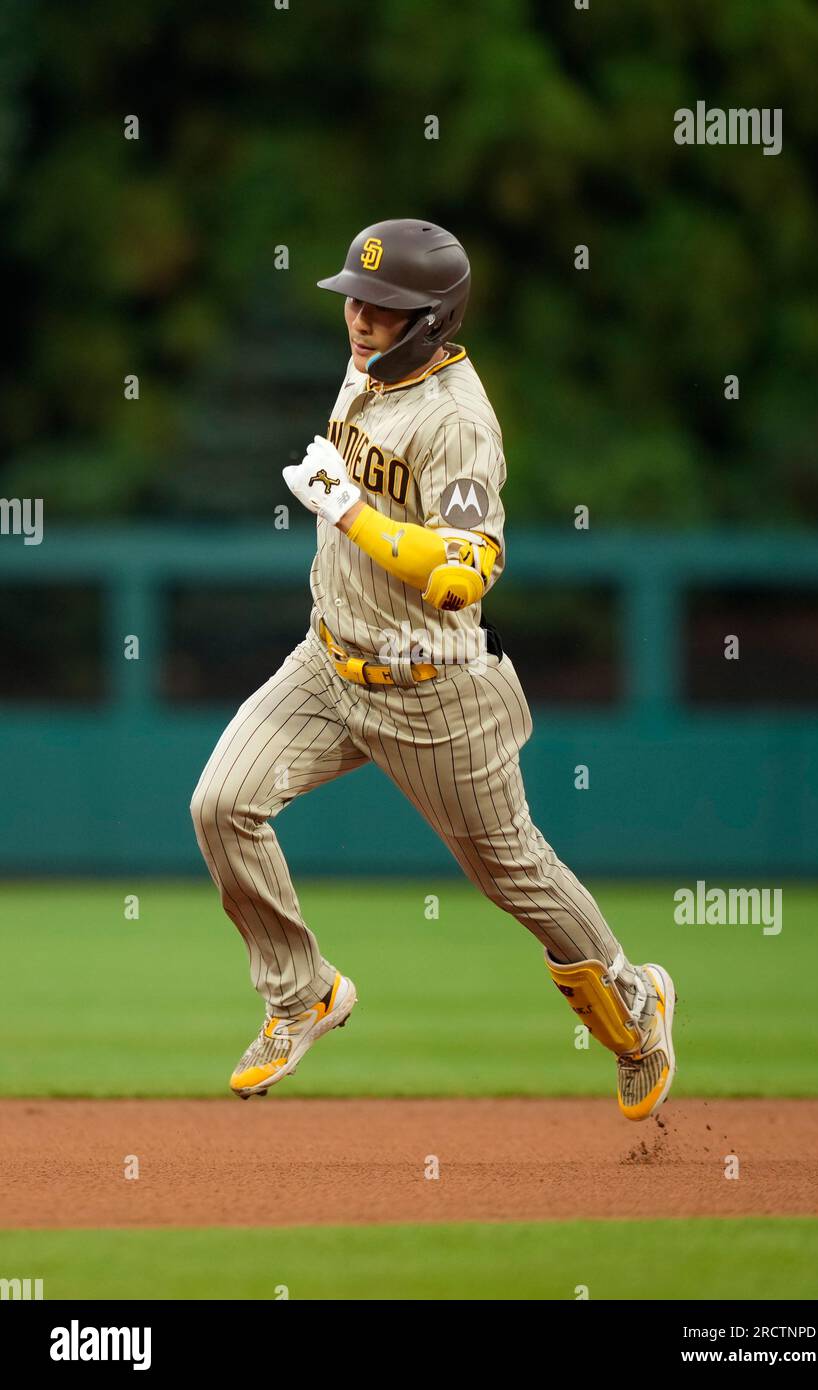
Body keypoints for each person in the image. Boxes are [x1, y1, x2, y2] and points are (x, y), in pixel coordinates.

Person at [190, 218, 676, 1120]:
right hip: (329, 665)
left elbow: (463, 573)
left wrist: (353, 517)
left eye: (384, 307)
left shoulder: (457, 423)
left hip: (435, 692)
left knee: (517, 877)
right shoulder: (365, 369)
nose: (361, 318)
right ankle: (302, 993)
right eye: (355, 300)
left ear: (432, 319)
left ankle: (637, 1004)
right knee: (221, 803)